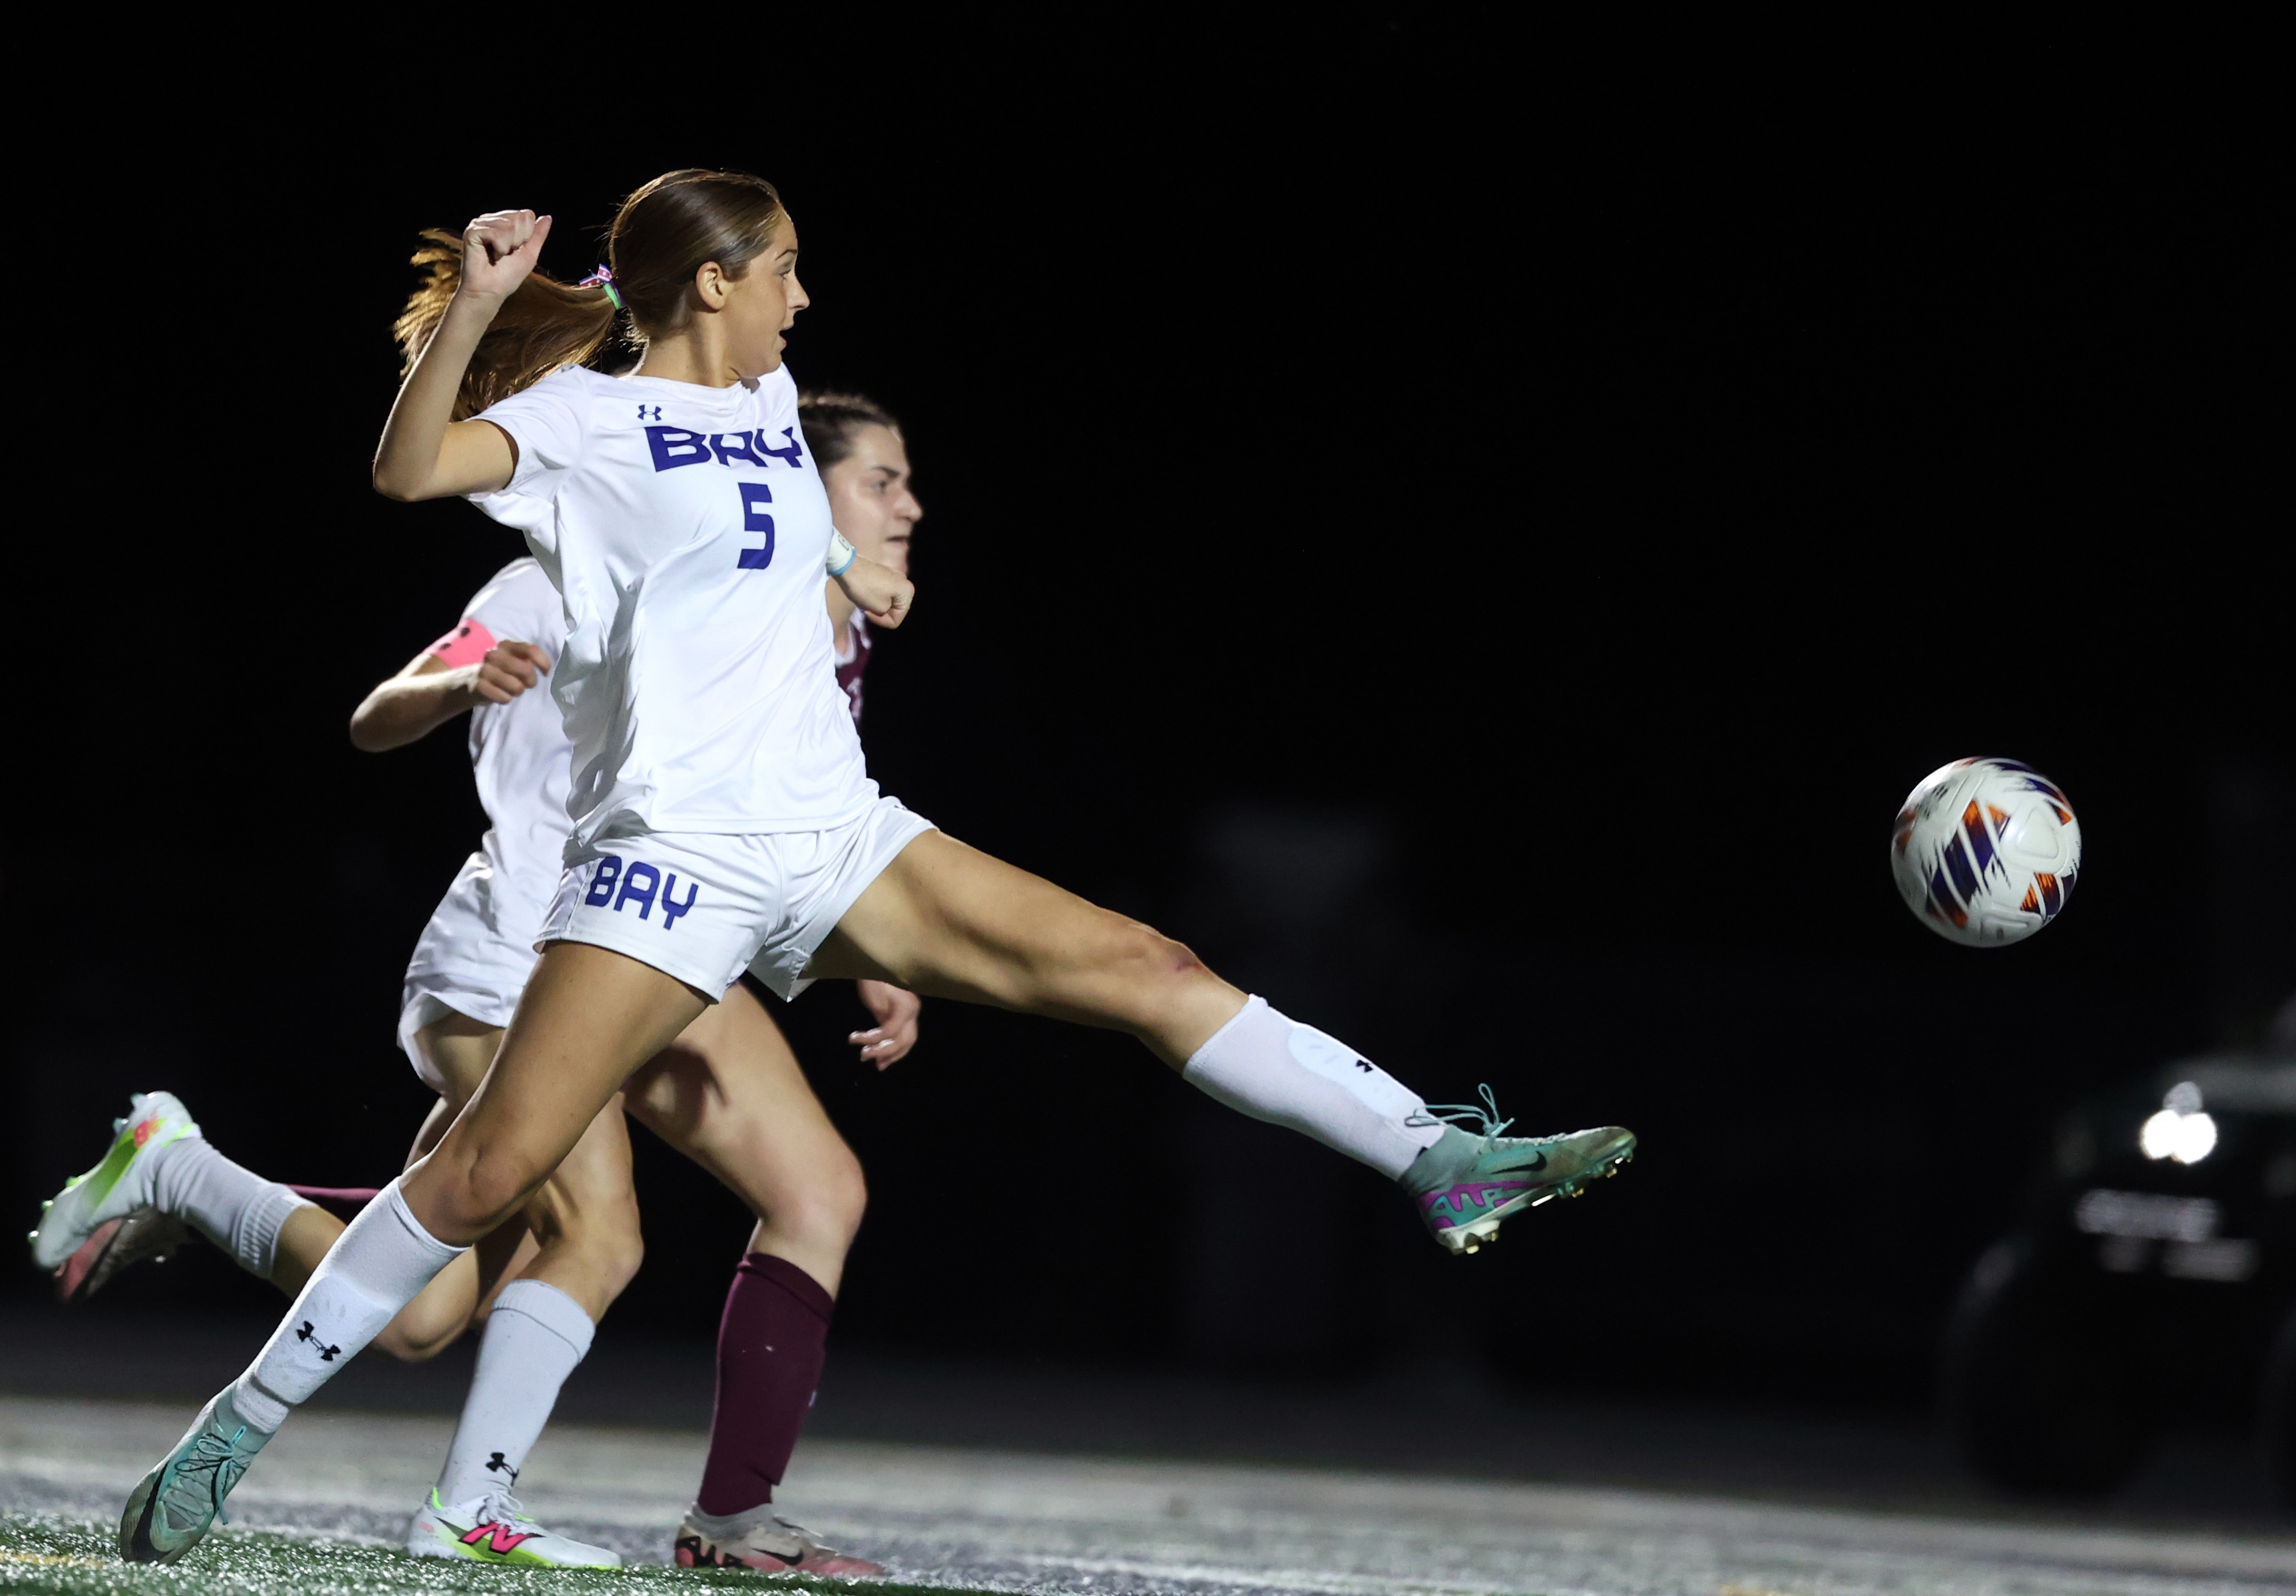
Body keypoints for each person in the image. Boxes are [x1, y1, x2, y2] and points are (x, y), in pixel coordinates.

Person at [118, 169, 1635, 1566]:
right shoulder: (592, 418)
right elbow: (408, 469)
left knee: (1148, 968)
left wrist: (858, 570)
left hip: (839, 832)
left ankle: (1436, 1154)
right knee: (489, 1172)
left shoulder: (772, 386)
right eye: (783, 268)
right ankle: (232, 1429)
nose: (802, 296)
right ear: (714, 282)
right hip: (682, 852)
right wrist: (469, 311)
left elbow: (774, 518)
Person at [43, 383, 924, 1572]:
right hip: (520, 950)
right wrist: (460, 681)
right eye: (883, 480)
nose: (909, 505)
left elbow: (774, 821)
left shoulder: (783, 611)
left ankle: (181, 1170)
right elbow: (377, 714)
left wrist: (862, 944)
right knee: (599, 1237)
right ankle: (471, 1505)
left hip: (663, 947)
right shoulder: (561, 576)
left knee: (432, 1313)